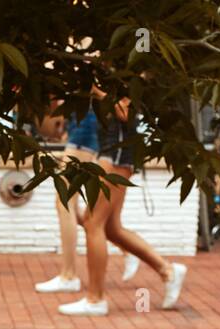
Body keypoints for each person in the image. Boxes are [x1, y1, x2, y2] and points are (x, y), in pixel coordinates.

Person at [58, 99, 188, 317]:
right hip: (111, 150)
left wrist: (95, 91)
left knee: (92, 222)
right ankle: (168, 270)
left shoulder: (119, 74)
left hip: (117, 153)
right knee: (111, 228)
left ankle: (95, 299)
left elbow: (125, 111)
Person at [35, 111, 138, 294]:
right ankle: (127, 249)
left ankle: (69, 275)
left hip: (87, 122)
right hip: (81, 122)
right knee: (73, 208)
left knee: (64, 201)